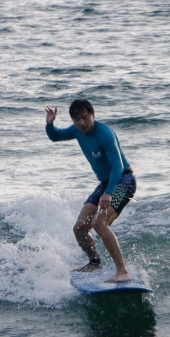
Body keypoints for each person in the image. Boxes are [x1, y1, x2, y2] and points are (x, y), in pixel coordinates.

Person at [45, 99, 136, 283]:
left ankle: (122, 271)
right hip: (105, 183)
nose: (81, 123)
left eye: (85, 117)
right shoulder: (76, 131)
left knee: (99, 223)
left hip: (123, 180)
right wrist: (50, 124)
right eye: (77, 119)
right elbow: (55, 136)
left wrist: (108, 193)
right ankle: (95, 263)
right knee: (79, 228)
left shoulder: (105, 135)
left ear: (93, 114)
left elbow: (118, 167)